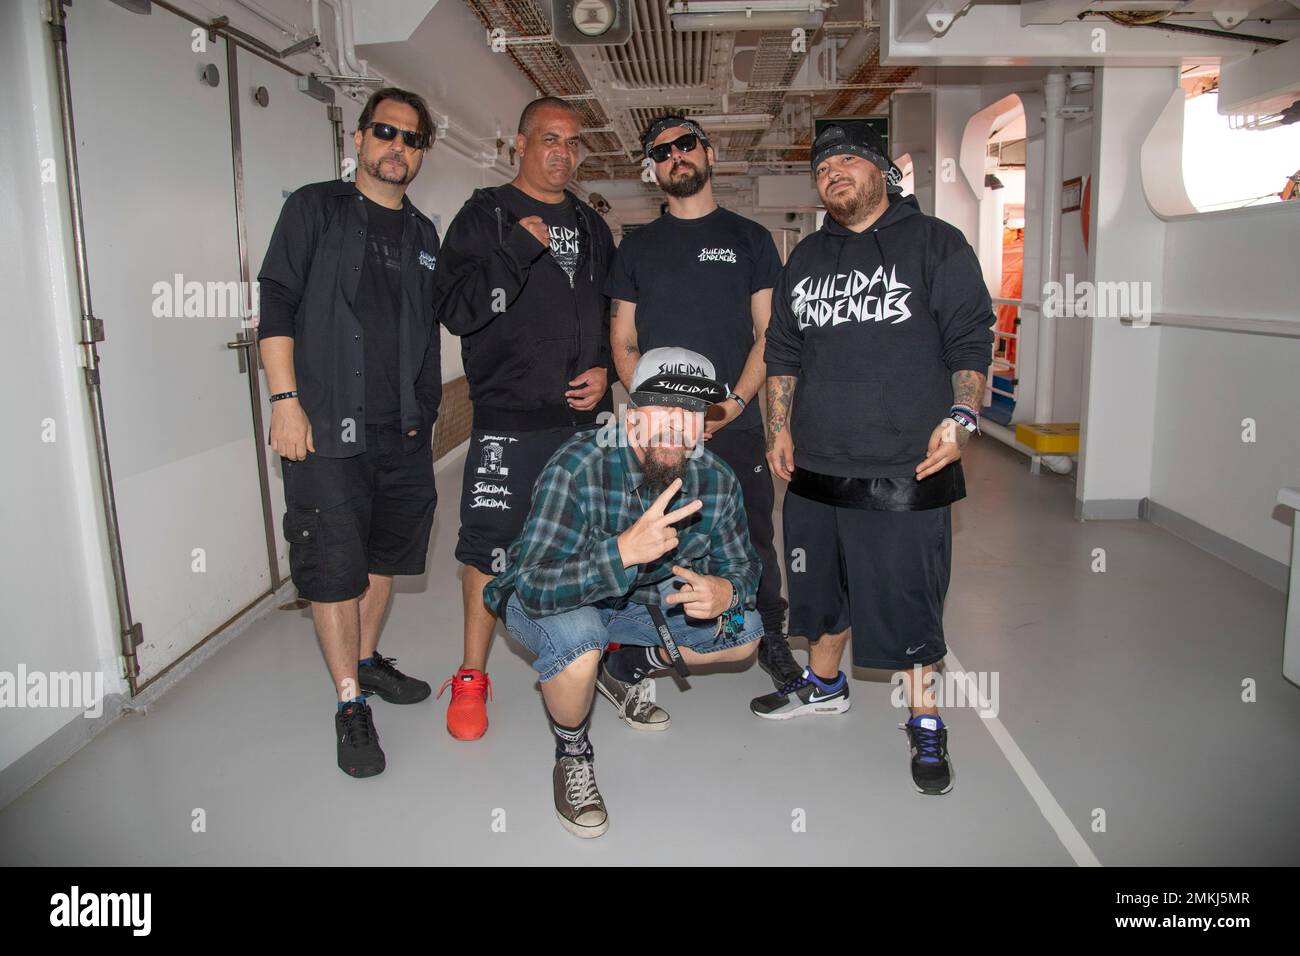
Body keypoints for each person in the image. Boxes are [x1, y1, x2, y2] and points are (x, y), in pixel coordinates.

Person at [756, 121, 994, 796]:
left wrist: (962, 416)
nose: (833, 171)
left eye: (848, 159)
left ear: (883, 170)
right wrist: (779, 428)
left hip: (905, 467)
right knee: (819, 590)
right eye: (822, 165)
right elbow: (784, 352)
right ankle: (824, 685)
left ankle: (924, 719)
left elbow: (971, 340)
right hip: (815, 467)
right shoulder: (804, 259)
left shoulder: (935, 244)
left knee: (909, 600)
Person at [484, 348, 763, 838]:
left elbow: (743, 567)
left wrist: (726, 590)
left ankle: (625, 667)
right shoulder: (578, 466)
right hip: (557, 599)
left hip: (639, 606)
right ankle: (572, 752)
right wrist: (621, 553)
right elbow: (532, 585)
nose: (677, 424)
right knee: (578, 646)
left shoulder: (717, 480)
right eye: (663, 406)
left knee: (746, 632)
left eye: (692, 412)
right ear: (631, 414)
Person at [257, 88, 442, 778]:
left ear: (421, 153)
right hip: (323, 429)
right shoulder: (315, 209)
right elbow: (275, 299)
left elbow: (429, 330)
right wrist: (285, 399)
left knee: (381, 561)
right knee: (333, 569)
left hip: (401, 432)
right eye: (386, 132)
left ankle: (366, 663)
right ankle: (347, 703)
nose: (398, 147)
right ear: (360, 139)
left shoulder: (425, 235)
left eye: (412, 138)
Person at [433, 97, 616, 740]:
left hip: (585, 420)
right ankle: (471, 675)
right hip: (510, 418)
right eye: (548, 138)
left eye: (571, 141)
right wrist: (514, 248)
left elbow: (608, 316)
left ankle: (594, 656)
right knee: (489, 547)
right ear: (519, 144)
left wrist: (608, 372)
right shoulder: (485, 215)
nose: (561, 151)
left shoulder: (593, 225)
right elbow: (457, 310)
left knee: (591, 541)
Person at [606, 114, 800, 691]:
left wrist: (732, 407)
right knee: (651, 533)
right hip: (658, 428)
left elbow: (770, 335)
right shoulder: (637, 248)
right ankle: (642, 640)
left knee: (754, 533)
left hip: (734, 424)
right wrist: (656, 410)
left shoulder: (750, 239)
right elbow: (623, 340)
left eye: (685, 145)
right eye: (660, 152)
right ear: (653, 169)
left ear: (708, 153)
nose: (675, 157)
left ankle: (768, 635)